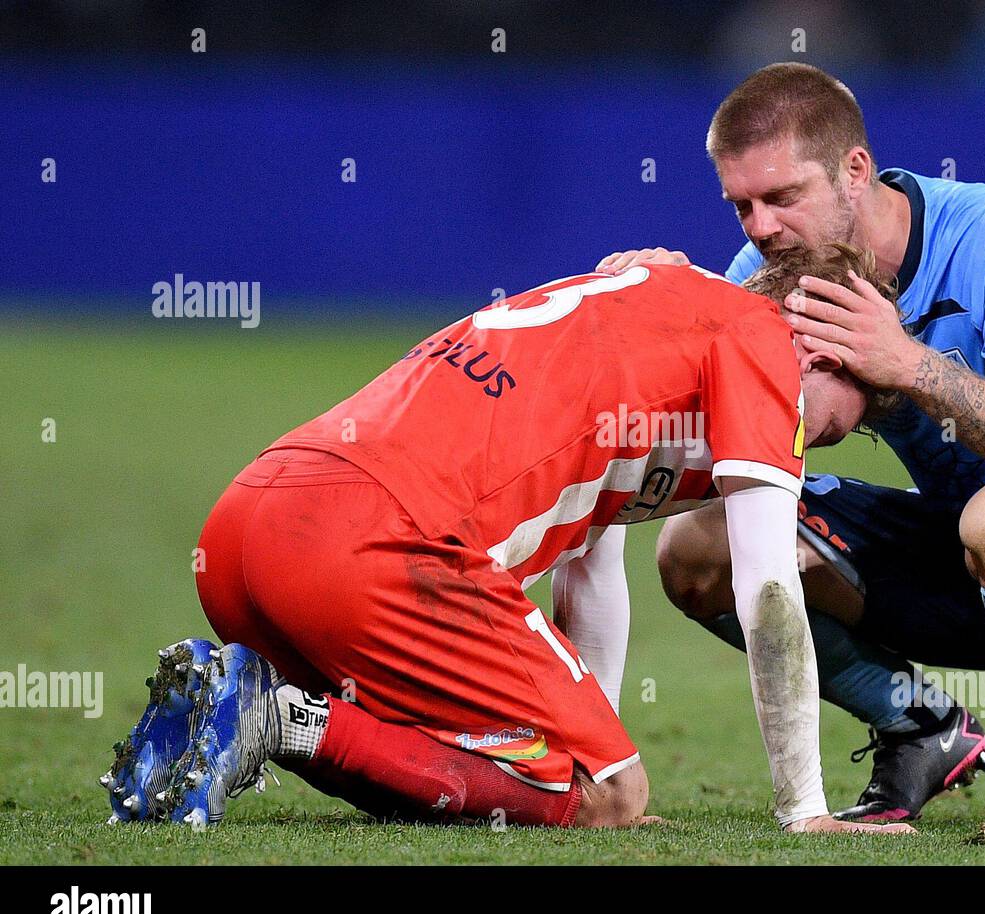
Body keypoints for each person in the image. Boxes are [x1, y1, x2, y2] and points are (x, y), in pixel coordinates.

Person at [102, 251, 914, 835]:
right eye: (852, 409)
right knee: (609, 796)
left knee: (562, 779)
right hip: (374, 546)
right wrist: (805, 808)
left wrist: (593, 749)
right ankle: (275, 719)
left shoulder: (649, 303)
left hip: (253, 524)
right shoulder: (761, 341)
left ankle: (250, 710)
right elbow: (768, 586)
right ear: (820, 342)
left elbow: (590, 559)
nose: (828, 440)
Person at [600, 62, 985, 829]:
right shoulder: (768, 271)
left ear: (854, 171)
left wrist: (908, 364)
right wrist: (660, 314)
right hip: (961, 548)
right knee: (697, 549)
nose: (759, 228)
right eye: (741, 205)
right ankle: (919, 726)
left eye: (783, 197)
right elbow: (721, 445)